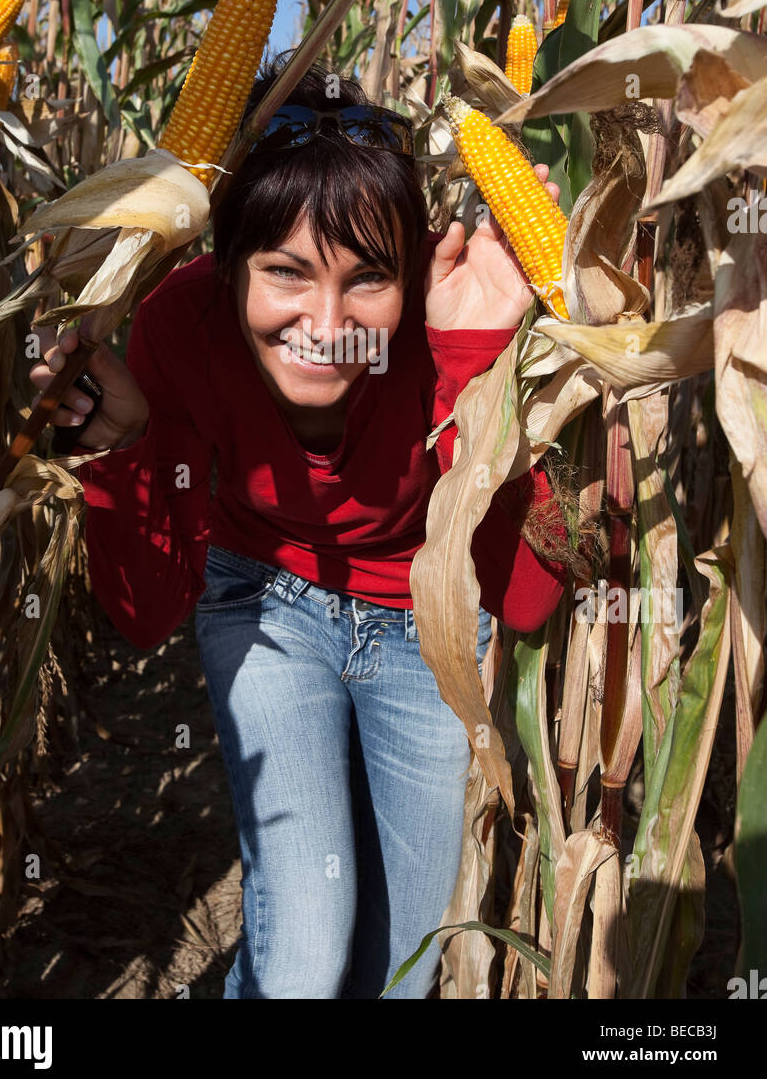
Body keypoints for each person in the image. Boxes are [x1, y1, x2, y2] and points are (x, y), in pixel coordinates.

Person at [29, 60, 568, 1000]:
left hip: (420, 622)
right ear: (225, 262)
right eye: (284, 272)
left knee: (401, 969)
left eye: (368, 280)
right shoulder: (181, 326)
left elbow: (524, 597)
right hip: (262, 600)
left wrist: (472, 360)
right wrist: (120, 448)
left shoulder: (445, 327)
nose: (326, 325)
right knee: (308, 955)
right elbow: (148, 614)